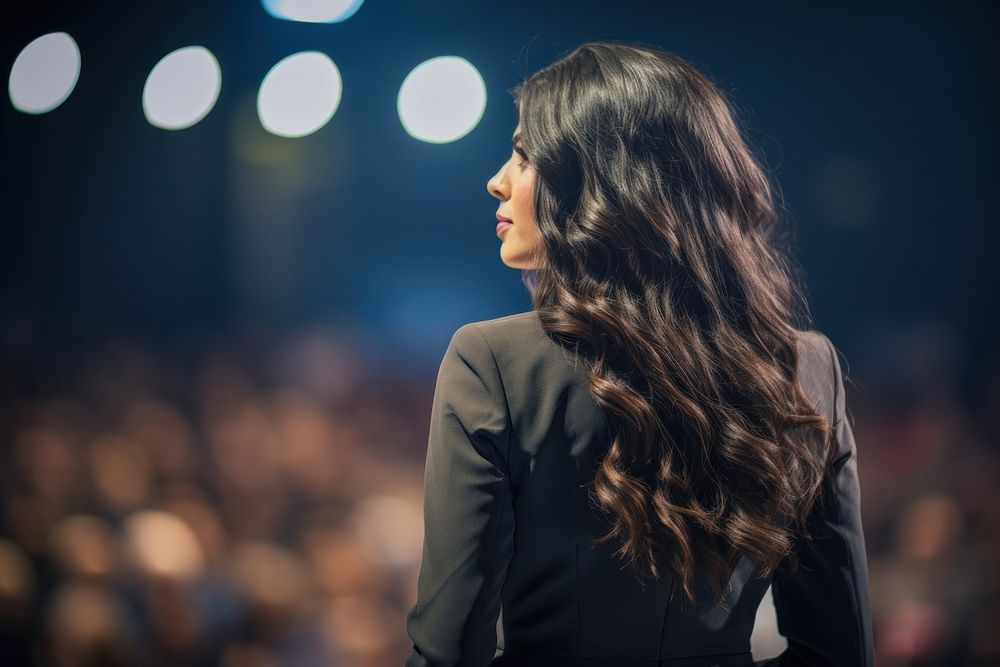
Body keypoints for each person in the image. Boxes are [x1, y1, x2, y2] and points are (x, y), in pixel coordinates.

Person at [404, 40, 874, 667]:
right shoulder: (808, 369)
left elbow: (445, 651)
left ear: (601, 181)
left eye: (523, 153)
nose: (498, 179)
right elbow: (838, 650)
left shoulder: (489, 362)